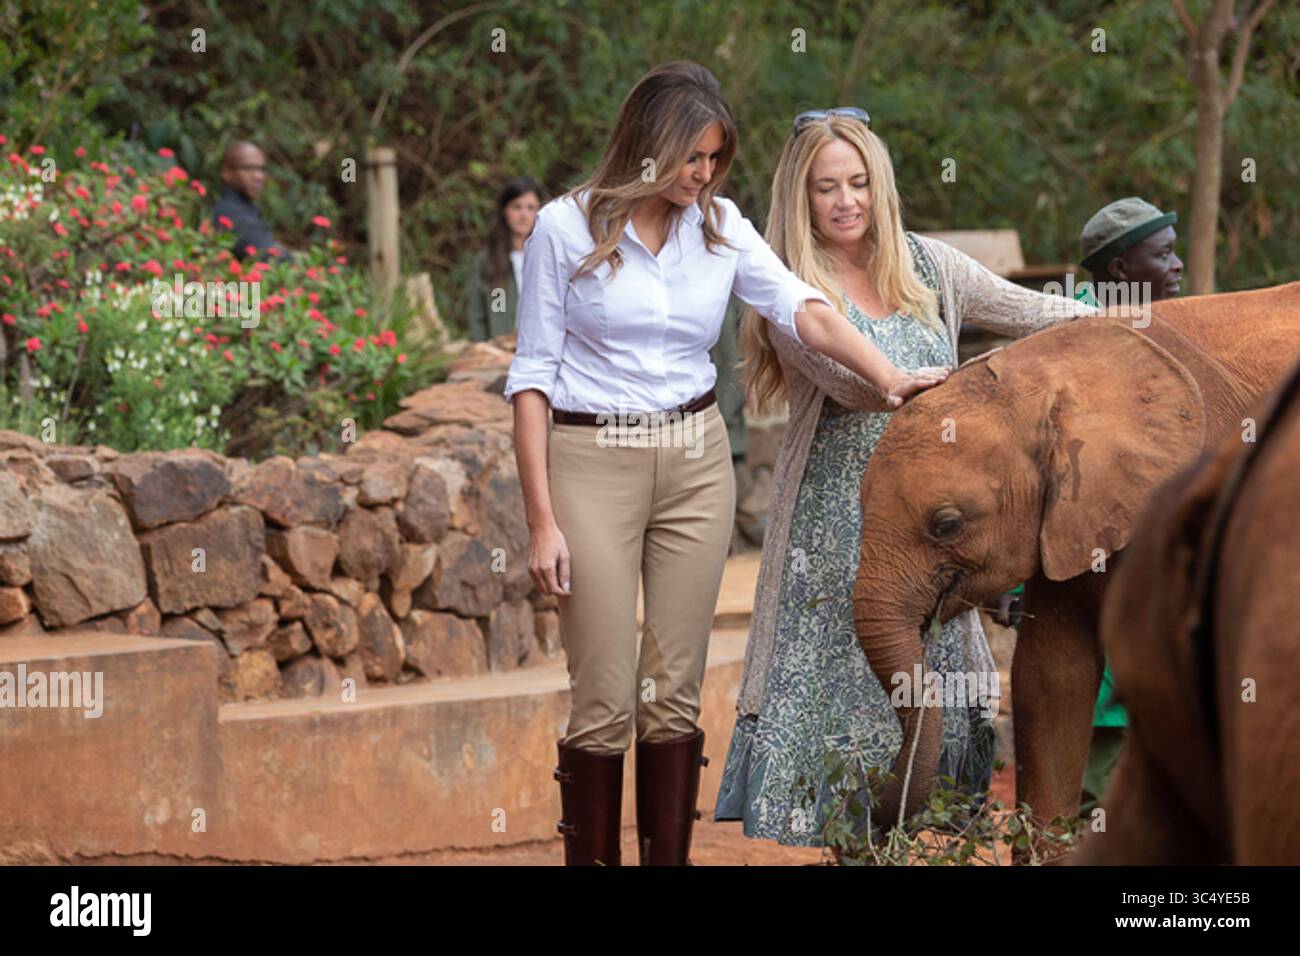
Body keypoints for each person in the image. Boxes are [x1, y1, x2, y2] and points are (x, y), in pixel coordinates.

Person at [503, 63, 949, 867]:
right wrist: (541, 521)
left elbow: (802, 308)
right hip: (590, 461)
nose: (703, 174)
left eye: (715, 159)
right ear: (648, 145)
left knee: (673, 696)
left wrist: (888, 378)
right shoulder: (564, 229)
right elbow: (532, 375)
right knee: (604, 697)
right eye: (692, 157)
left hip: (695, 461)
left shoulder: (720, 225)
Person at [714, 109, 1098, 854]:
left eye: (859, 182)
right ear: (800, 195)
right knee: (850, 710)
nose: (846, 201)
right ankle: (853, 853)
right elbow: (849, 383)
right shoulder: (787, 285)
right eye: (826, 187)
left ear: (880, 186)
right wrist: (938, 385)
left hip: (931, 524)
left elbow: (1028, 311)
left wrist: (1124, 323)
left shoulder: (927, 264)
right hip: (835, 527)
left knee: (932, 707)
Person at [1074, 196, 1182, 816]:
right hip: (1088, 560)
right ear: (1119, 269)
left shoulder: (1163, 330)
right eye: (1163, 255)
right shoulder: (1076, 338)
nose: (1178, 266)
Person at [468, 178, 542, 340]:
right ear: (504, 210)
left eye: (531, 208)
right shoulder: (491, 261)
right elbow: (485, 313)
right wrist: (484, 345)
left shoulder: (546, 257)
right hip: (502, 347)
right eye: (517, 207)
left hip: (539, 345)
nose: (524, 215)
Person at [212, 141, 277, 259]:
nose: (259, 176)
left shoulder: (246, 209)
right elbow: (267, 254)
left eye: (261, 169)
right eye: (248, 168)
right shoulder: (231, 213)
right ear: (227, 172)